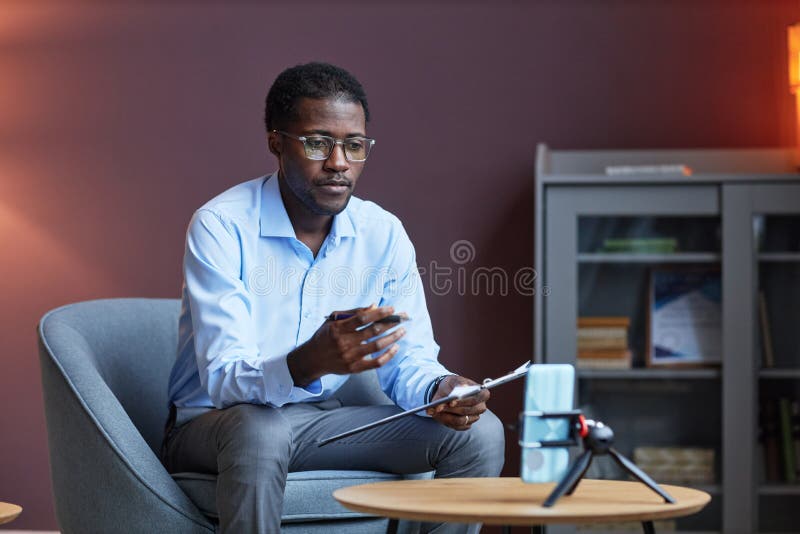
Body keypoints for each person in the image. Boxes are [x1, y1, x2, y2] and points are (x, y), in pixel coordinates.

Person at [162, 62, 505, 534]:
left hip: (319, 426)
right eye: (318, 143)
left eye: (354, 145)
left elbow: (409, 358)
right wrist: (309, 362)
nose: (339, 162)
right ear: (276, 143)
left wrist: (439, 390)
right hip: (215, 425)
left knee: (480, 434)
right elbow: (223, 378)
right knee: (261, 429)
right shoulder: (221, 226)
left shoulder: (381, 233)